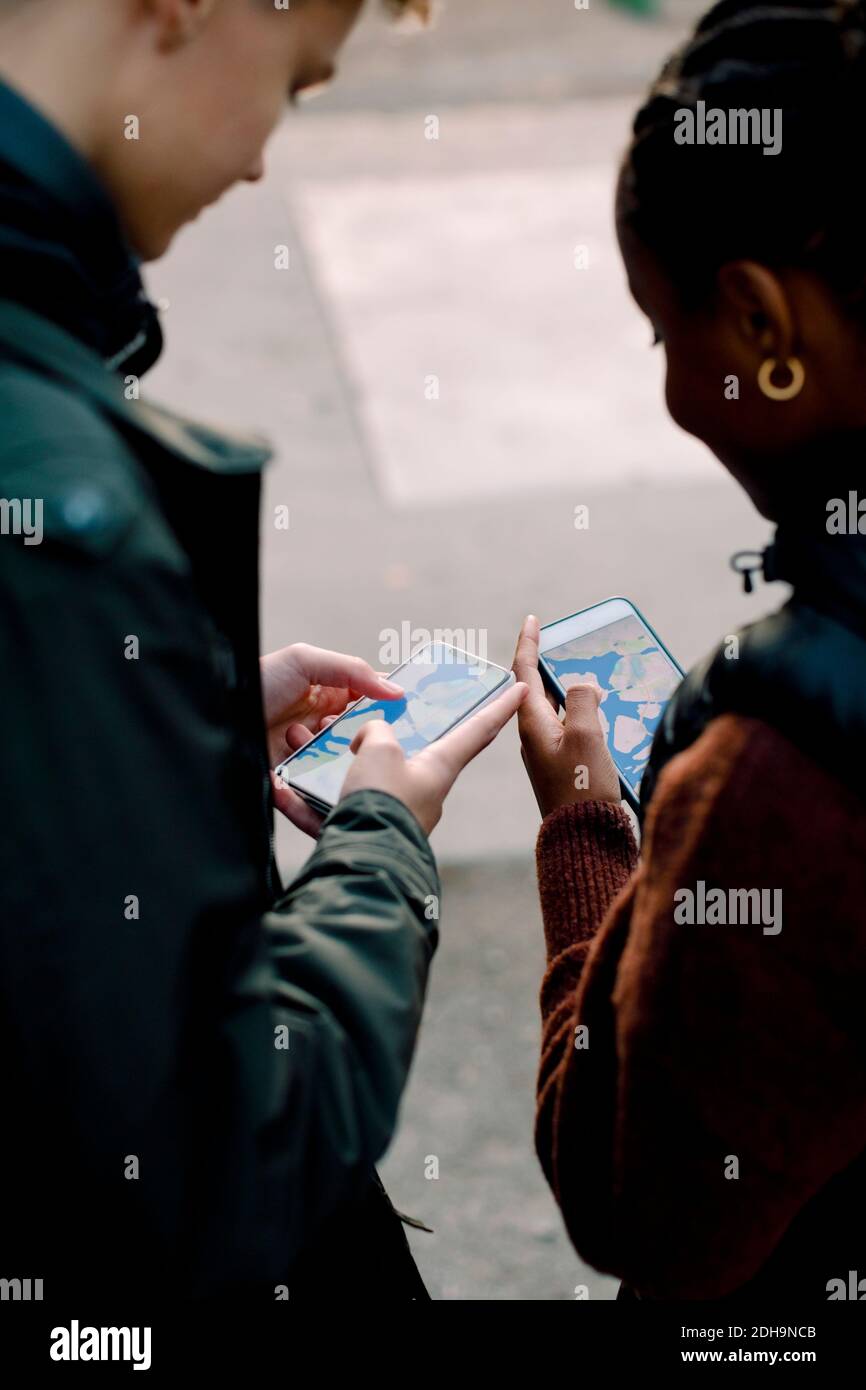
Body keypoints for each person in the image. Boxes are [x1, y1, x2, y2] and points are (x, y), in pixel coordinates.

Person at [0, 0, 526, 1305]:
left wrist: (174, 744)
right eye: (295, 82)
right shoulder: (63, 499)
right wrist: (383, 843)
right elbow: (223, 1166)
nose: (257, 159)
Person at [514, 0, 866, 1300]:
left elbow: (642, 1205)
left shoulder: (781, 786)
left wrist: (590, 833)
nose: (672, 394)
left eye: (666, 334)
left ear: (761, 326)